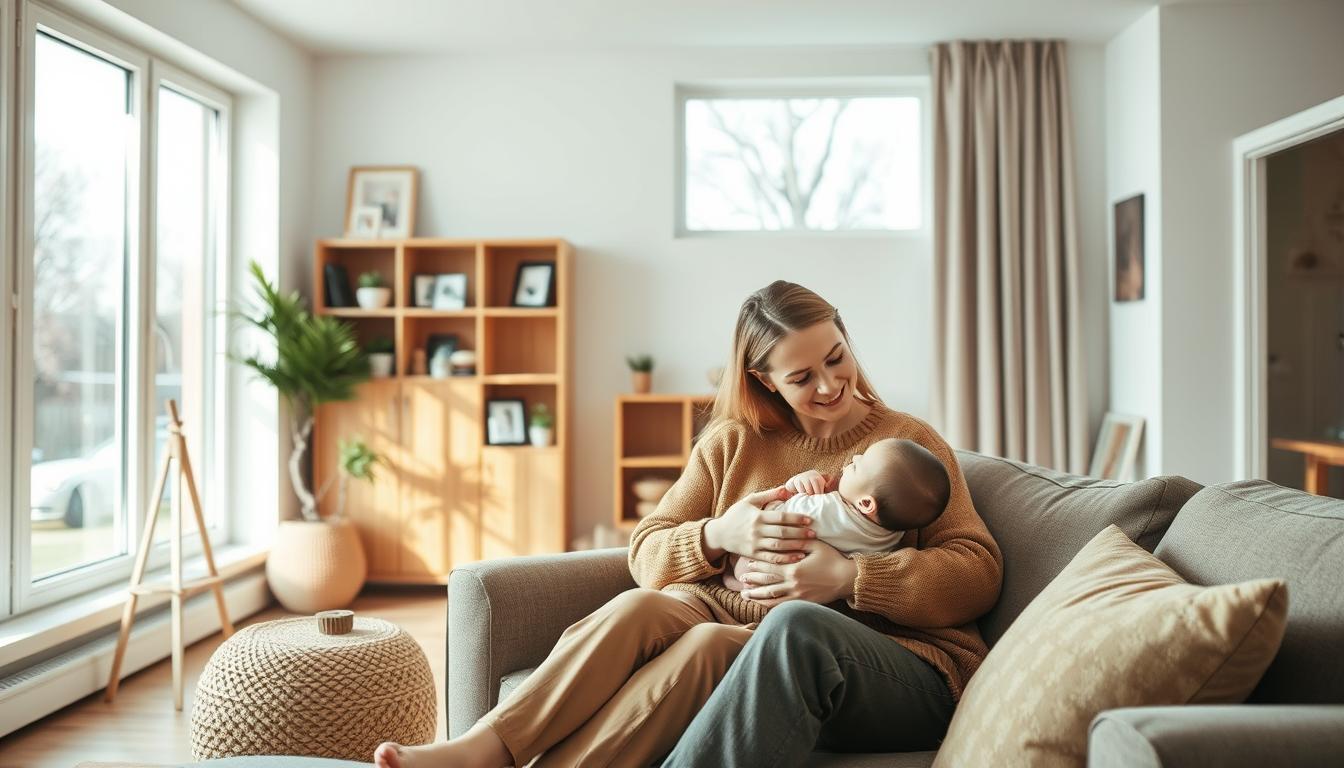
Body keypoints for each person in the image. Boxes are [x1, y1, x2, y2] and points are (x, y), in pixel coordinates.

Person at [374, 280, 1003, 768]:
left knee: (704, 646)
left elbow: (978, 573)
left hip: (877, 652)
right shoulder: (733, 443)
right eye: (802, 377)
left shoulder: (906, 443)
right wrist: (716, 535)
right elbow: (645, 551)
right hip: (724, 610)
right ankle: (484, 748)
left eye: (837, 358)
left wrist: (848, 577)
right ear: (764, 380)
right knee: (637, 611)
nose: (831, 384)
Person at [722, 438, 951, 592]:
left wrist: (795, 486)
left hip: (766, 570)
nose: (854, 457)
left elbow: (778, 512)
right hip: (804, 591)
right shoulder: (891, 533)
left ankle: (734, 579)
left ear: (865, 503)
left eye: (856, 466)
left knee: (742, 559)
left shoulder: (827, 509)